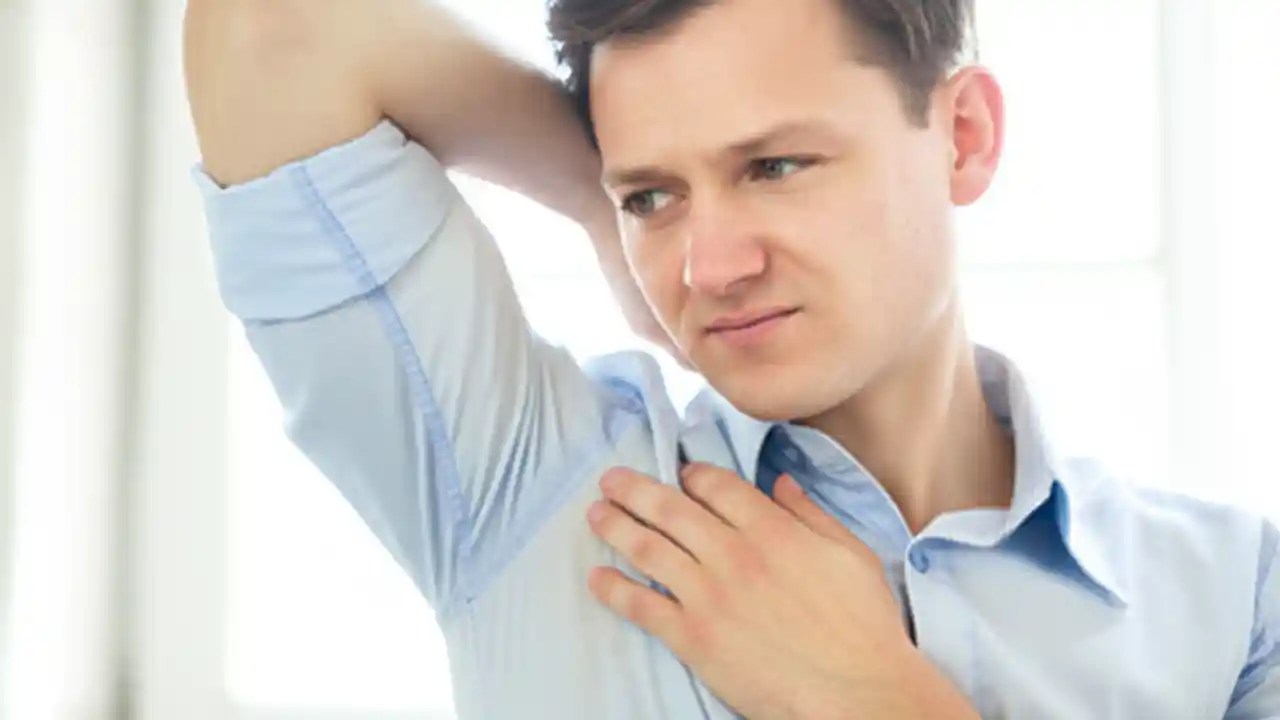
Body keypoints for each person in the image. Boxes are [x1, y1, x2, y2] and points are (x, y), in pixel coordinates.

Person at [184, 0, 1280, 717]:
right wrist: (594, 196)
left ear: (963, 136)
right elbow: (272, 29)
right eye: (653, 194)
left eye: (773, 166)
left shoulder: (1237, 597)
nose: (706, 265)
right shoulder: (528, 477)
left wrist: (878, 701)